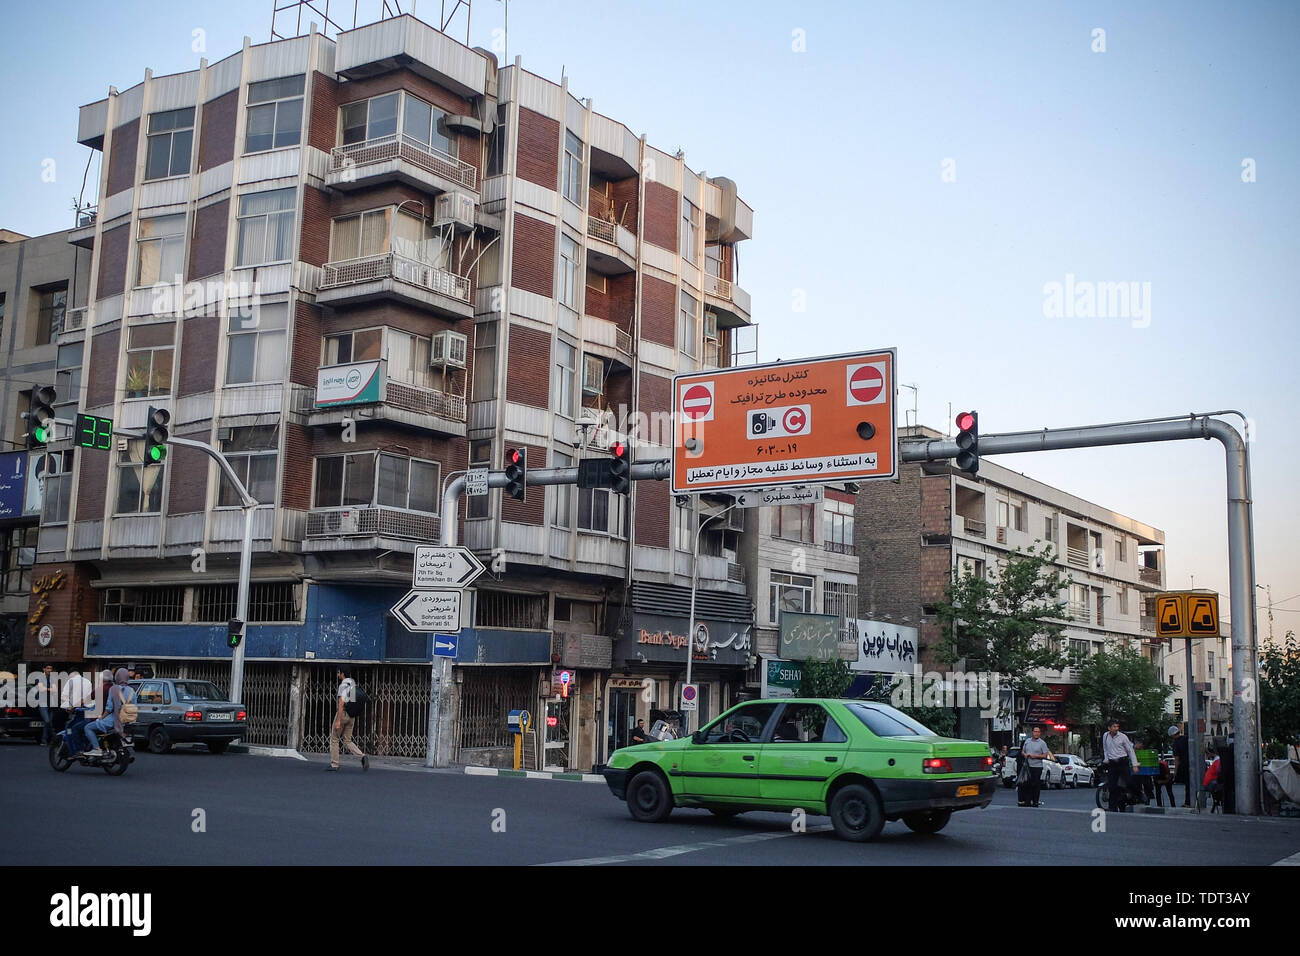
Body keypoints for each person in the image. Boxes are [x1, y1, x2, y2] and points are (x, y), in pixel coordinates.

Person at [83, 668, 135, 757]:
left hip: (112, 720)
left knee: (88, 727)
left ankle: (96, 749)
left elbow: (109, 708)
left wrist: (101, 718)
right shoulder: (132, 691)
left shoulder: (114, 689)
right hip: (127, 721)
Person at [327, 665, 368, 772]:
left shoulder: (343, 685)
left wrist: (338, 721)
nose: (337, 674)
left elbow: (341, 703)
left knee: (335, 739)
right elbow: (353, 701)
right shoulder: (353, 683)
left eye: (338, 672)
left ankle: (334, 764)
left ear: (342, 673)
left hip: (343, 714)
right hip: (351, 716)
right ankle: (362, 756)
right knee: (347, 740)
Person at [1101, 719, 1140, 811]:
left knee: (1129, 782)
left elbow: (1130, 751)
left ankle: (1138, 795)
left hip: (1122, 761)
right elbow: (1105, 748)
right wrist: (1106, 758)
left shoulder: (1123, 737)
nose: (1116, 728)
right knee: (1112, 786)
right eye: (1114, 727)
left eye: (1117, 727)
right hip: (1112, 763)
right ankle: (1113, 807)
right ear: (1109, 728)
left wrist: (1134, 764)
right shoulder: (1105, 736)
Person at [1020, 726, 1055, 807]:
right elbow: (1023, 751)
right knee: (1027, 784)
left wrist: (1035, 756)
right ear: (1032, 732)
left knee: (1035, 784)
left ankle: (1035, 801)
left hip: (1037, 766)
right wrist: (1025, 755)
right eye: (1035, 731)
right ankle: (1027, 801)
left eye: (1038, 732)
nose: (1036, 733)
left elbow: (1045, 755)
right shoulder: (1027, 741)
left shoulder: (1042, 743)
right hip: (1028, 766)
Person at [34, 664, 56, 745]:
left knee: (49, 722)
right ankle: (54, 737)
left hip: (51, 702)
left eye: (51, 668)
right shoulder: (39, 678)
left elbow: (55, 690)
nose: (49, 670)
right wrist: (50, 689)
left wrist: (46, 689)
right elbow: (41, 689)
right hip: (42, 702)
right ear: (44, 669)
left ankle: (44, 740)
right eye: (48, 668)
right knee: (47, 721)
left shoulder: (53, 678)